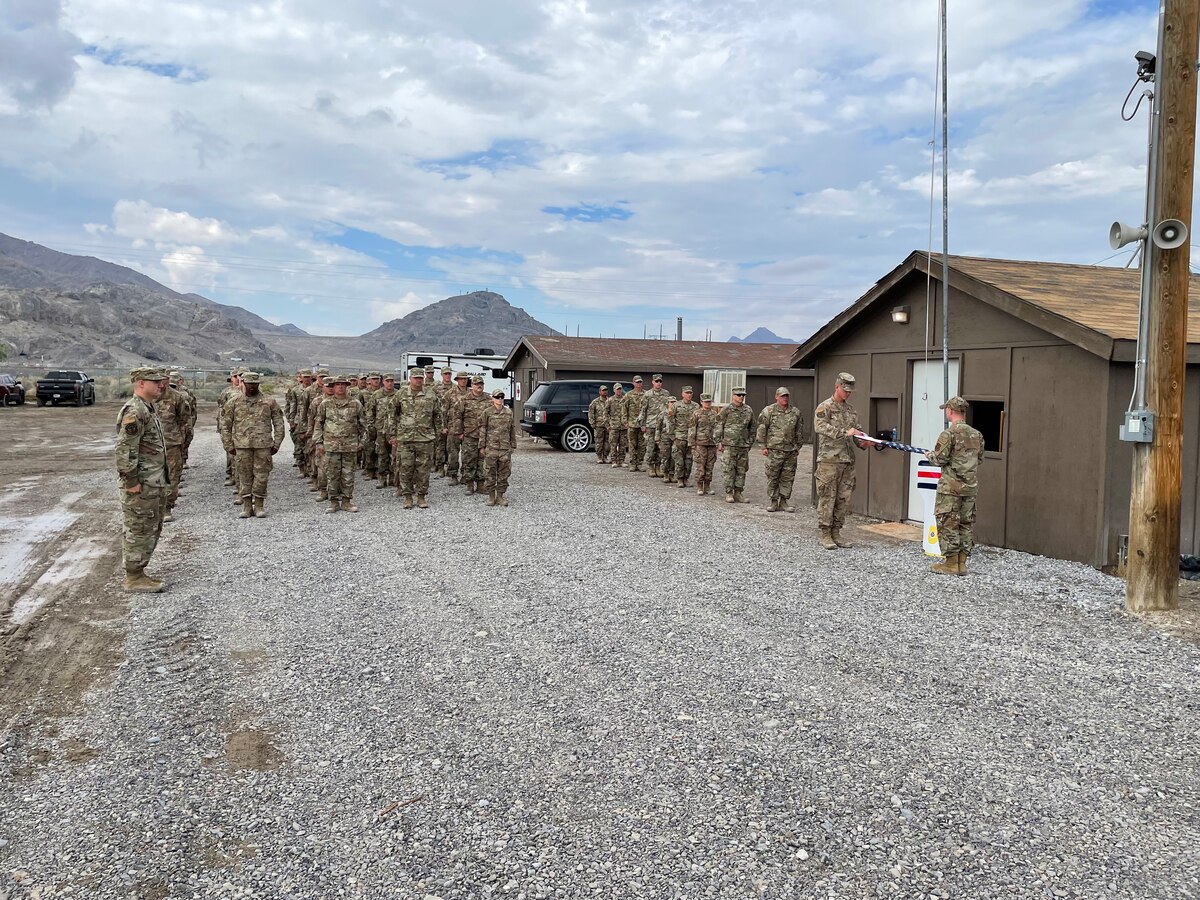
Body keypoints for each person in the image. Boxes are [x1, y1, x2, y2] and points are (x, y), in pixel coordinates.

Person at [114, 367, 170, 593]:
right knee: (138, 528)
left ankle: (139, 572)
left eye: (161, 381)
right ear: (140, 383)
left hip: (153, 481)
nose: (161, 385)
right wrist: (131, 481)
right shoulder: (134, 411)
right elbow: (125, 450)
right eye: (155, 382)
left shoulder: (147, 408)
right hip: (141, 484)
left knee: (150, 526)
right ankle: (134, 577)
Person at [927, 397, 985, 575]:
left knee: (948, 522)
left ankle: (951, 564)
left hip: (950, 488)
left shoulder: (949, 434)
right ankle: (962, 563)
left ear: (950, 411)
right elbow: (979, 459)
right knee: (965, 523)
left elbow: (940, 459)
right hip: (970, 487)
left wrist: (929, 455)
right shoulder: (977, 435)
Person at [813, 372, 867, 549]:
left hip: (847, 462)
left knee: (843, 498)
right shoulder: (825, 407)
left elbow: (856, 431)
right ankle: (825, 533)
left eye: (850, 391)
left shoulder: (851, 410)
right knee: (828, 497)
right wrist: (845, 433)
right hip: (829, 461)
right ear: (837, 387)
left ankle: (837, 532)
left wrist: (864, 442)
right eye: (845, 390)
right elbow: (820, 427)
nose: (848, 394)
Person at [220, 372, 285, 518]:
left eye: (254, 384)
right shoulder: (234, 402)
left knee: (262, 476)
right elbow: (225, 425)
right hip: (242, 446)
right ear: (243, 383)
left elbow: (279, 423)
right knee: (244, 476)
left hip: (263, 446)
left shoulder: (269, 402)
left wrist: (277, 443)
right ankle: (247, 506)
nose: (251, 387)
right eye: (249, 384)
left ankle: (259, 505)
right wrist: (228, 445)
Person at [314, 375, 367, 513]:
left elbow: (363, 425)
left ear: (347, 386)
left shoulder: (355, 404)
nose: (340, 387)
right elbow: (318, 424)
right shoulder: (325, 404)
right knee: (332, 474)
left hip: (350, 446)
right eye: (338, 385)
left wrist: (362, 442)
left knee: (348, 475)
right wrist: (319, 443)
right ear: (333, 386)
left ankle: (346, 501)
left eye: (343, 384)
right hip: (331, 446)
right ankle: (333, 502)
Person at [392, 367, 442, 509]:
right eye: (416, 378)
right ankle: (407, 496)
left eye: (421, 378)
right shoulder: (401, 394)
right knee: (405, 469)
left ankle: (421, 496)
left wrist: (437, 435)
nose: (418, 380)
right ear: (410, 379)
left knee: (423, 470)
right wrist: (393, 435)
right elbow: (392, 415)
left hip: (425, 439)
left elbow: (438, 416)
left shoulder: (431, 395)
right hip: (405, 438)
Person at [756, 387, 807, 514]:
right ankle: (773, 501)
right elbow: (762, 429)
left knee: (788, 477)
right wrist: (763, 446)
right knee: (773, 476)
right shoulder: (769, 411)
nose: (785, 398)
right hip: (774, 450)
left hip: (790, 451)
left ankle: (784, 501)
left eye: (786, 396)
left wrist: (798, 446)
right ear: (776, 397)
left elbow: (799, 431)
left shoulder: (795, 412)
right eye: (782, 396)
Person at [156, 374, 190, 522]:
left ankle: (167, 507)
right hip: (151, 445)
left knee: (172, 476)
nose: (160, 383)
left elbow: (185, 421)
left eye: (162, 379)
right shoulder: (147, 397)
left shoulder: (177, 397)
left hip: (172, 443)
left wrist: (183, 441)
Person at [716, 386, 755, 503]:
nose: (741, 397)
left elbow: (752, 427)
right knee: (728, 469)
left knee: (741, 470)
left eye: (743, 395)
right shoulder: (726, 409)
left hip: (743, 445)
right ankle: (729, 493)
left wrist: (750, 442)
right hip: (729, 445)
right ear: (733, 396)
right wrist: (719, 442)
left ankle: (738, 492)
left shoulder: (748, 410)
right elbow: (719, 425)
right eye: (739, 395)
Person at [480, 388, 517, 506]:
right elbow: (483, 429)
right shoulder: (487, 412)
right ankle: (491, 497)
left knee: (504, 473)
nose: (500, 399)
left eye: (502, 397)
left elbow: (512, 429)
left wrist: (513, 444)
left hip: (505, 448)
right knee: (489, 473)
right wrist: (482, 446)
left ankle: (500, 496)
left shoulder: (508, 412)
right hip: (491, 448)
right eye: (497, 397)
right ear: (492, 398)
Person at [456, 375, 491, 495]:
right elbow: (458, 417)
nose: (479, 386)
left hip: (484, 436)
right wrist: (459, 432)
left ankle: (481, 485)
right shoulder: (465, 400)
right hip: (469, 435)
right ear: (472, 386)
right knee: (469, 460)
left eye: (481, 384)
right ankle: (469, 485)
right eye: (476, 384)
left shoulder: (489, 399)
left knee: (483, 461)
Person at [308, 378, 336, 500]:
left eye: (332, 386)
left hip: (339, 439)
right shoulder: (317, 401)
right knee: (322, 467)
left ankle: (336, 492)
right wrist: (312, 436)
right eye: (327, 386)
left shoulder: (342, 400)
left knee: (337, 468)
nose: (330, 388)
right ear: (322, 387)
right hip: (322, 438)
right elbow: (311, 419)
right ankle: (323, 490)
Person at [688, 393, 720, 496]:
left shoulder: (715, 414)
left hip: (711, 444)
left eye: (709, 402)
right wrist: (692, 444)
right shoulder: (696, 414)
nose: (707, 403)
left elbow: (717, 429)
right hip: (700, 443)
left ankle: (707, 485)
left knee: (710, 466)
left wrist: (718, 442)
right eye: (705, 402)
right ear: (701, 402)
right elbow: (692, 429)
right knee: (700, 466)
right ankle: (699, 486)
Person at [639, 375, 670, 477]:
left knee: (660, 448)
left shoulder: (666, 394)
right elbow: (643, 410)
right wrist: (642, 424)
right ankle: (651, 467)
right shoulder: (647, 394)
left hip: (662, 426)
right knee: (651, 448)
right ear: (653, 382)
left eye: (660, 381)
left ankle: (658, 467)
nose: (659, 383)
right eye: (657, 381)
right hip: (651, 424)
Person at [218, 369, 243, 487]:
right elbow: (222, 410)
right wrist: (222, 427)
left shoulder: (252, 391)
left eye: (241, 376)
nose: (238, 379)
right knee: (231, 452)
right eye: (236, 376)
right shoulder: (227, 392)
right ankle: (232, 474)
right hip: (231, 426)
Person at [445, 371, 470, 484]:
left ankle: (465, 475)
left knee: (467, 453)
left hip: (468, 429)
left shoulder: (471, 394)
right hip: (453, 428)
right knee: (453, 453)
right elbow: (443, 411)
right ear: (457, 380)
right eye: (461, 379)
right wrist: (444, 427)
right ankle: (453, 475)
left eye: (465, 379)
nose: (463, 381)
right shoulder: (450, 393)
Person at [374, 373, 398, 488]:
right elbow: (370, 412)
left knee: (395, 456)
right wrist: (372, 427)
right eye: (387, 381)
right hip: (381, 430)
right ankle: (382, 478)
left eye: (392, 381)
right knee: (382, 455)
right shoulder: (377, 395)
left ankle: (393, 478)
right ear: (383, 382)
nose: (390, 383)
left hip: (394, 431)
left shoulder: (398, 395)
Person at [285, 369, 312, 470]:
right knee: (299, 443)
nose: (306, 379)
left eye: (308, 377)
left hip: (311, 419)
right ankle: (301, 466)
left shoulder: (315, 389)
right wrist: (291, 421)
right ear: (301, 377)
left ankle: (310, 468)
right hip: (299, 420)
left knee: (311, 445)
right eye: (304, 377)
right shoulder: (295, 390)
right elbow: (293, 406)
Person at [622, 375, 648, 472]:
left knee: (642, 445)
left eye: (640, 382)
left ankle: (640, 463)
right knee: (632, 445)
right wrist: (625, 422)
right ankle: (633, 464)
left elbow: (648, 409)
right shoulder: (628, 395)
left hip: (642, 425)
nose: (639, 384)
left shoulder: (646, 394)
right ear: (633, 383)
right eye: (637, 382)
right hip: (632, 424)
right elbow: (624, 409)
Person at [434, 367, 455, 477]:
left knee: (451, 447)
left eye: (449, 374)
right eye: (445, 374)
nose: (447, 376)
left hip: (452, 420)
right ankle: (440, 467)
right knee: (440, 445)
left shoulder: (455, 388)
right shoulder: (436, 388)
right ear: (442, 375)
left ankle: (450, 467)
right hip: (439, 419)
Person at [360, 373, 382, 478]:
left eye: (377, 379)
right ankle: (369, 470)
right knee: (369, 448)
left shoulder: (382, 392)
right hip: (367, 423)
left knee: (380, 449)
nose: (376, 381)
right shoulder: (363, 393)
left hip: (381, 424)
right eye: (373, 379)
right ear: (369, 380)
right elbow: (359, 409)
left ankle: (379, 470)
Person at [654, 395, 676, 483]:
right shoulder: (662, 414)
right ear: (668, 404)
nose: (673, 404)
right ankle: (665, 474)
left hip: (675, 438)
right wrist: (657, 438)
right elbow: (658, 427)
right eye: (671, 402)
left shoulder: (677, 414)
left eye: (674, 402)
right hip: (665, 438)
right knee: (665, 456)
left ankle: (672, 474)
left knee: (674, 457)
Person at [588, 385, 611, 464]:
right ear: (600, 392)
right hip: (599, 425)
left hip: (608, 425)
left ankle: (605, 457)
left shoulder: (609, 400)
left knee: (607, 442)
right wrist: (592, 422)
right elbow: (591, 413)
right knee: (599, 442)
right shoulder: (595, 402)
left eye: (606, 390)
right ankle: (599, 457)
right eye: (603, 390)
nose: (605, 392)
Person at [606, 382, 627, 468]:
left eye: (620, 389)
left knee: (623, 445)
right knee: (613, 444)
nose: (619, 391)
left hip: (623, 426)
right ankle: (613, 460)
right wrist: (607, 425)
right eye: (617, 389)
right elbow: (605, 413)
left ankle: (621, 461)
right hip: (613, 426)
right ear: (614, 390)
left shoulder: (625, 399)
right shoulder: (610, 400)